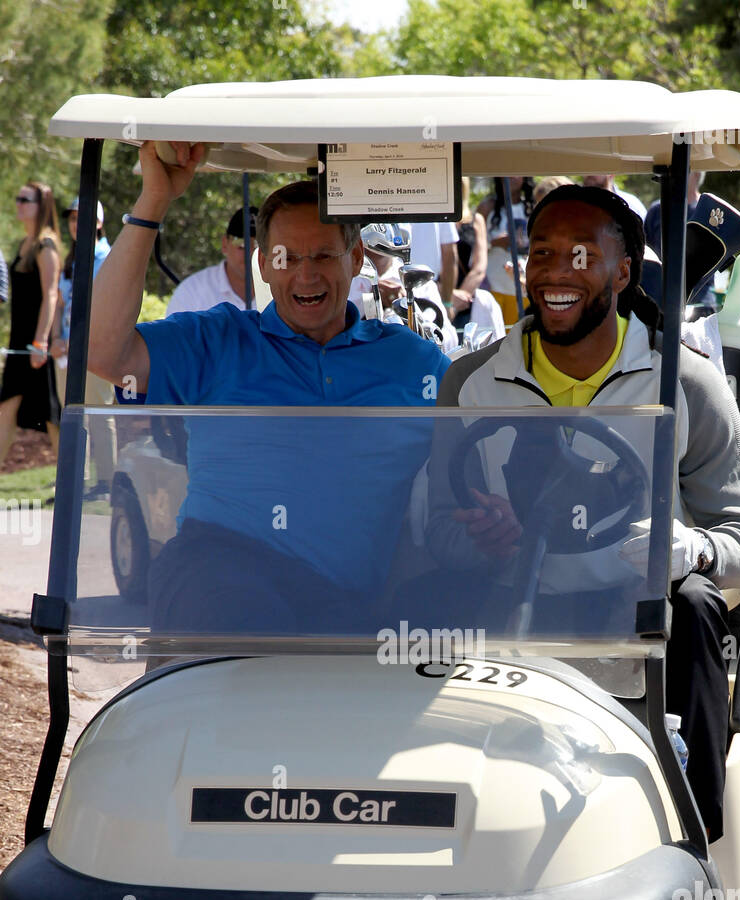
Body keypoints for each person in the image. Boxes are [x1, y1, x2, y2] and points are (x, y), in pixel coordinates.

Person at [421, 184, 740, 841]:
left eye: (582, 255)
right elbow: (439, 528)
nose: (556, 270)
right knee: (411, 604)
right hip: (509, 599)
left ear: (622, 271)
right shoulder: (469, 382)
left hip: (632, 608)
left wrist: (693, 549)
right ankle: (420, 817)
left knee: (695, 605)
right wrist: (480, 541)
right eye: (543, 252)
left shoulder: (685, 382)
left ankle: (693, 837)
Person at [88, 143, 450, 634]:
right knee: (244, 617)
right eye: (286, 257)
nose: (306, 273)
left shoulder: (414, 362)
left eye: (324, 254)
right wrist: (153, 201)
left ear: (356, 258)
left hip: (340, 604)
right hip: (218, 568)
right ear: (262, 264)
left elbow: (466, 473)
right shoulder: (219, 340)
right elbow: (105, 353)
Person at [50, 196, 115, 495]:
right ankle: (74, 483)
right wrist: (54, 339)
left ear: (98, 223)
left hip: (96, 351)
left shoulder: (108, 258)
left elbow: (107, 308)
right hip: (66, 354)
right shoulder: (71, 259)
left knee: (100, 416)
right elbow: (60, 304)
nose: (77, 224)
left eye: (84, 217)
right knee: (73, 418)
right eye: (73, 219)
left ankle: (107, 482)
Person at [0, 182, 61, 466]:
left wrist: (41, 342)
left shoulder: (46, 244)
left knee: (53, 416)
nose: (19, 204)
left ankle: (72, 483)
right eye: (18, 198)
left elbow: (51, 294)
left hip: (37, 345)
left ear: (41, 205)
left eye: (25, 199)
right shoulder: (25, 243)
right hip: (20, 341)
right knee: (6, 407)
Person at [348, 239, 459, 352]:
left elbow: (450, 341)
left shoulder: (420, 281)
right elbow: (335, 336)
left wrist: (408, 306)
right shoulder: (344, 282)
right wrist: (372, 297)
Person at [165, 206, 258, 314]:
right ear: (224, 244)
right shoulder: (191, 292)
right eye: (242, 244)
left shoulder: (279, 292)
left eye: (260, 245)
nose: (252, 252)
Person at [476, 177, 536, 327]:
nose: (512, 177)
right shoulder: (487, 207)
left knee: (516, 338)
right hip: (492, 285)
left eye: (517, 173)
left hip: (521, 289)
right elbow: (471, 247)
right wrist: (495, 243)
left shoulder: (532, 208)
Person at [450, 178, 504, 341]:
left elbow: (480, 267)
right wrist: (447, 297)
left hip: (466, 305)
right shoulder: (430, 222)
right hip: (436, 298)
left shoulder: (475, 220)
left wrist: (458, 301)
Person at [406, 220, 459, 318]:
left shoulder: (442, 205)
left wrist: (447, 303)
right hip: (390, 288)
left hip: (428, 292)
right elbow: (449, 254)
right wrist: (447, 303)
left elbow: (449, 255)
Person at [644, 170, 704, 257]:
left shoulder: (706, 212)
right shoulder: (656, 210)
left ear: (697, 174)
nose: (675, 176)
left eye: (684, 170)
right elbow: (646, 250)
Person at [582, 173, 647, 220]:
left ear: (611, 173)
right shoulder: (574, 204)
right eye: (586, 166)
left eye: (596, 167)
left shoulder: (632, 205)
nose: (589, 173)